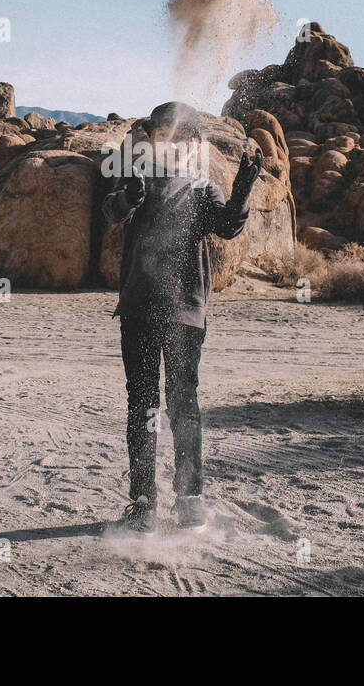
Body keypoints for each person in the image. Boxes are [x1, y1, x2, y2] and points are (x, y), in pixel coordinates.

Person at [101, 101, 262, 533]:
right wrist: (130, 195)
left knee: (183, 405)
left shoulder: (202, 189)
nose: (167, 144)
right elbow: (114, 211)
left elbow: (227, 226)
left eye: (178, 138)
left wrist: (243, 190)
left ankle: (189, 498)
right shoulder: (136, 181)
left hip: (185, 312)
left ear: (194, 145)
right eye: (160, 136)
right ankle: (142, 502)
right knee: (142, 405)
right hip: (138, 310)